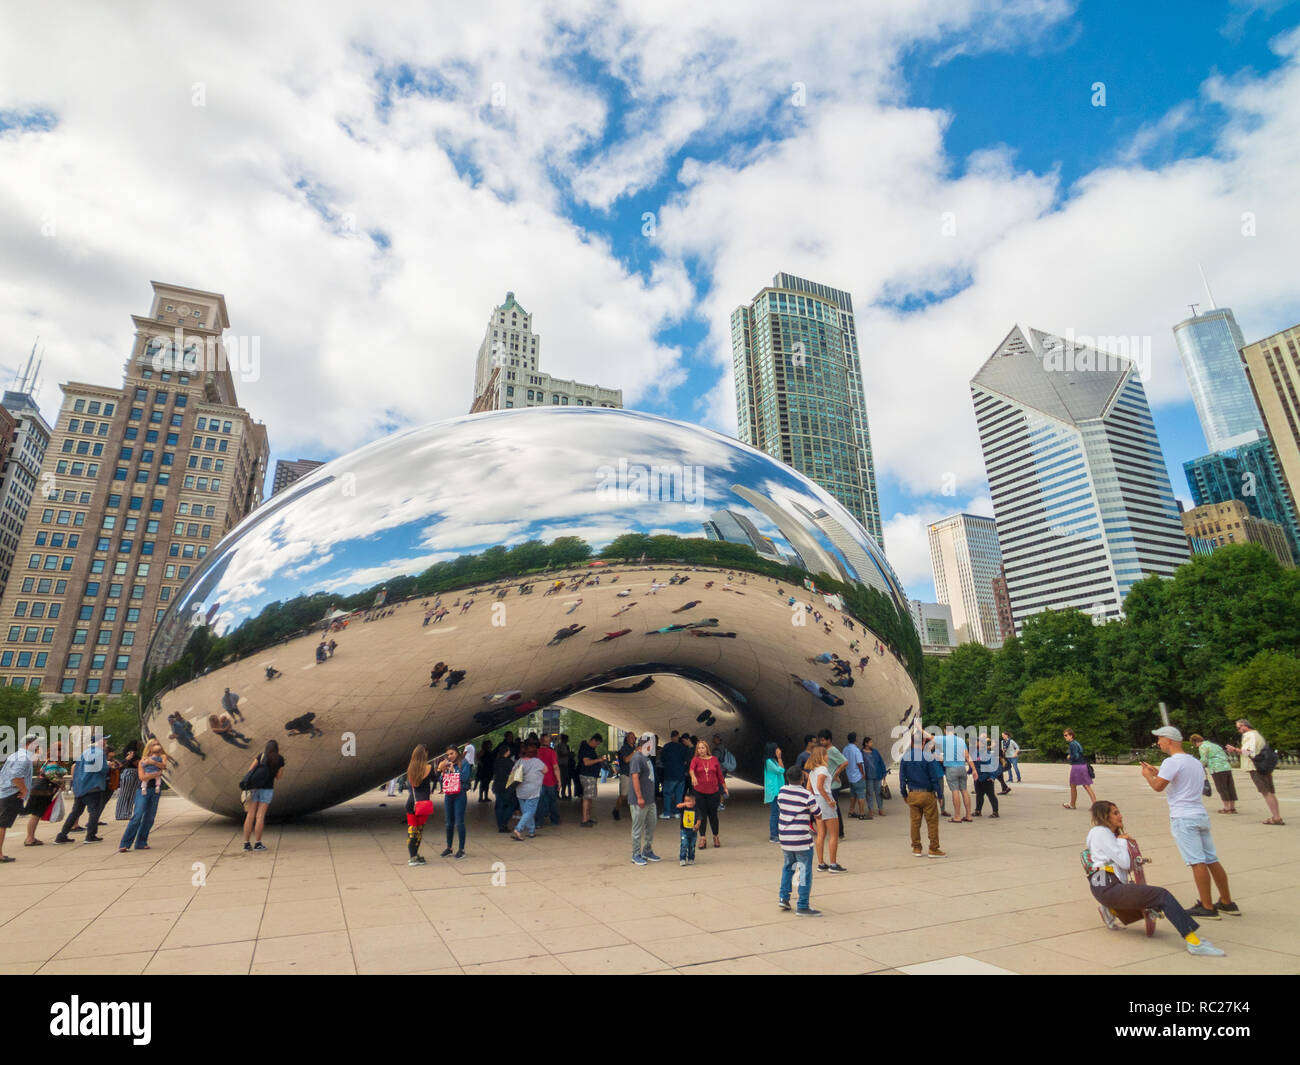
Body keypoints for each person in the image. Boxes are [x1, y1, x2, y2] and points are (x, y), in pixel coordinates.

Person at [1085, 801, 1224, 956]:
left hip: (1103, 885)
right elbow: (1124, 862)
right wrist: (1122, 840)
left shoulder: (1096, 833)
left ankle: (1110, 909)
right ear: (1105, 816)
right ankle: (1194, 943)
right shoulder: (1102, 832)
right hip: (1108, 886)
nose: (1120, 816)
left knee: (1150, 901)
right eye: (1115, 813)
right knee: (1161, 895)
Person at [1140, 726, 1238, 920]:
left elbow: (1159, 787)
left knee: (1196, 861)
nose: (1158, 742)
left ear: (1169, 740)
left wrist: (1148, 776)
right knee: (1211, 858)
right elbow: (1181, 780)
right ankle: (1227, 902)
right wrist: (1158, 772)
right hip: (1199, 814)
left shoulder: (1171, 761)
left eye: (1160, 739)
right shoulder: (1193, 761)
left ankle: (1207, 906)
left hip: (1183, 817)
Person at [775, 765, 822, 916]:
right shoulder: (807, 796)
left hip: (785, 838)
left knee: (788, 867)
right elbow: (818, 813)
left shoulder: (782, 792)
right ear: (802, 779)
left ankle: (784, 897)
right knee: (804, 871)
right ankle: (802, 904)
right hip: (801, 840)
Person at [54, 734, 111, 845]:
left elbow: (77, 768)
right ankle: (90, 836)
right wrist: (109, 765)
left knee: (75, 812)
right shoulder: (100, 753)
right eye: (105, 740)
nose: (106, 742)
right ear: (100, 741)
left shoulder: (84, 753)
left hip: (81, 786)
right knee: (94, 812)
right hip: (93, 785)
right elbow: (103, 769)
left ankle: (62, 835)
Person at [1226, 719, 1284, 825]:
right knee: (1270, 792)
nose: (1238, 730)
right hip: (1263, 766)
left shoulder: (1249, 735)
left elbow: (1249, 751)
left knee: (1266, 792)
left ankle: (1276, 818)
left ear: (1245, 726)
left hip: (1255, 767)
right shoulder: (1257, 734)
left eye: (1239, 728)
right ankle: (1277, 816)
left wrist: (1234, 749)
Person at [898, 730, 945, 858]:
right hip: (927, 793)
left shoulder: (905, 758)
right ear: (923, 742)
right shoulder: (927, 757)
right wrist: (939, 795)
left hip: (913, 793)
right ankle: (934, 848)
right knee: (932, 822)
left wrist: (904, 794)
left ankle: (916, 848)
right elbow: (934, 778)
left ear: (911, 742)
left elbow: (902, 779)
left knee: (915, 822)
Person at [118, 739, 169, 852]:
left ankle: (141, 842)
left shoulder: (162, 757)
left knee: (149, 817)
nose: (157, 746)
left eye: (158, 744)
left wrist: (154, 764)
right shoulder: (143, 760)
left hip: (155, 790)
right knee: (137, 815)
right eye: (155, 744)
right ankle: (125, 843)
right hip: (142, 790)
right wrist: (155, 773)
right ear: (150, 747)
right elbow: (142, 777)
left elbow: (163, 766)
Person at [0, 733, 40, 861]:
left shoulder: (16, 755)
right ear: (30, 744)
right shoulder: (24, 757)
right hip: (11, 794)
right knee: (2, 824)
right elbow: (16, 776)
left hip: (4, 792)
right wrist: (24, 790)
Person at [806, 745, 844, 873]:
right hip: (825, 800)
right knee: (834, 834)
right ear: (822, 756)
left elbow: (809, 789)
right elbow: (820, 786)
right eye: (826, 755)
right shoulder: (823, 769)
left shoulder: (812, 771)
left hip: (817, 801)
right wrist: (829, 800)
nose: (828, 757)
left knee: (820, 834)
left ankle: (821, 863)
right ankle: (833, 864)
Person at [242, 740, 285, 851]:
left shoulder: (261, 756)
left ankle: (246, 844)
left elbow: (250, 770)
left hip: (254, 788)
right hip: (267, 789)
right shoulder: (280, 759)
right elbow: (279, 777)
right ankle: (258, 843)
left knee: (250, 816)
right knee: (260, 816)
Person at [628, 733, 661, 865]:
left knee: (651, 824)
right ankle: (635, 854)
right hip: (639, 800)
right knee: (638, 827)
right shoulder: (637, 758)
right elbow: (635, 777)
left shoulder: (646, 757)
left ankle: (647, 850)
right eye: (652, 743)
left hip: (650, 799)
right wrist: (639, 797)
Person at [434, 746, 472, 858]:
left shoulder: (464, 763)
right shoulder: (446, 763)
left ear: (457, 752)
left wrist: (453, 771)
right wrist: (442, 771)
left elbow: (465, 777)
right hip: (449, 795)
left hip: (460, 794)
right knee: (449, 823)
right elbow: (441, 780)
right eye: (448, 754)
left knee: (459, 822)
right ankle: (449, 847)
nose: (450, 756)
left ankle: (461, 849)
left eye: (452, 753)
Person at [689, 739, 727, 849]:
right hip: (699, 791)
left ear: (707, 748)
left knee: (713, 815)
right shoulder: (695, 760)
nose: (701, 750)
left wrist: (724, 787)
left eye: (703, 748)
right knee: (702, 815)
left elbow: (720, 775)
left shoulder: (714, 759)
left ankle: (716, 837)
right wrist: (693, 776)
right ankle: (702, 838)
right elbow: (691, 770)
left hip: (713, 791)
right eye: (699, 748)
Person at [1189, 734, 1237, 815]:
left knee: (1222, 788)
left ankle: (1227, 808)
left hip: (1216, 768)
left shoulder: (1203, 746)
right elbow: (1224, 754)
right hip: (1226, 767)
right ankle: (1232, 807)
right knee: (1230, 787)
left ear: (1195, 742)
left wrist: (1198, 766)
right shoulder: (1214, 745)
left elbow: (1204, 759)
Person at [939, 724, 975, 823]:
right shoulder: (961, 740)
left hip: (951, 768)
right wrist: (974, 769)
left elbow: (930, 736)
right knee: (964, 790)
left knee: (955, 791)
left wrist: (918, 727)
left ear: (945, 731)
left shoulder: (944, 739)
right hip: (962, 767)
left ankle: (957, 816)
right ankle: (968, 815)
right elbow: (967, 756)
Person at [511, 739, 547, 840]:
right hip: (533, 791)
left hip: (520, 790)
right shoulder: (537, 762)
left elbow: (512, 773)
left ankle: (531, 830)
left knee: (526, 811)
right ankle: (518, 829)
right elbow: (545, 770)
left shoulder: (519, 761)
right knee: (530, 812)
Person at [405, 745, 435, 865]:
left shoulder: (410, 768)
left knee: (412, 830)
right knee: (419, 830)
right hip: (422, 804)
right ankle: (413, 857)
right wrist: (440, 769)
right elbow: (435, 778)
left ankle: (413, 856)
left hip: (411, 803)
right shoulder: (428, 767)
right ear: (425, 754)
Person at [819, 729, 848, 839]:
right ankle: (835, 831)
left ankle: (839, 832)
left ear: (829, 740)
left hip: (832, 786)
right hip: (827, 785)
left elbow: (845, 762)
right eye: (820, 740)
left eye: (823, 740)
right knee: (830, 808)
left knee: (834, 809)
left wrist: (836, 774)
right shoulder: (825, 750)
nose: (821, 742)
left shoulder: (832, 750)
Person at [1062, 728, 1097, 809]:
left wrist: (1069, 756)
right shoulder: (1077, 743)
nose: (1065, 737)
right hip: (1083, 765)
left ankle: (1073, 804)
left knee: (1075, 785)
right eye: (1064, 735)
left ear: (1071, 735)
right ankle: (1094, 805)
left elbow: (1076, 756)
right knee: (1084, 786)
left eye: (1066, 735)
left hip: (1077, 767)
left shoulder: (1072, 744)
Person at [578, 733, 607, 827]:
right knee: (587, 797)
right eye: (597, 744)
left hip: (591, 775)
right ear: (593, 740)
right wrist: (599, 760)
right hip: (587, 775)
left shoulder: (590, 749)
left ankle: (587, 817)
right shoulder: (586, 749)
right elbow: (586, 762)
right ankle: (584, 819)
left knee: (590, 797)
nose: (597, 746)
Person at [660, 732, 688, 820]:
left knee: (667, 794)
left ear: (671, 737)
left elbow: (662, 759)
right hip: (681, 775)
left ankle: (667, 813)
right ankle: (676, 813)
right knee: (679, 795)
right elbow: (686, 760)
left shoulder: (666, 747)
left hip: (670, 774)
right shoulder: (683, 747)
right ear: (678, 737)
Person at [971, 735, 1000, 818]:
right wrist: (970, 771)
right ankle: (978, 811)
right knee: (979, 795)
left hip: (987, 777)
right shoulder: (975, 753)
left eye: (979, 742)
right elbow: (973, 764)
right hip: (978, 778)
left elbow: (994, 766)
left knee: (991, 795)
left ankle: (995, 812)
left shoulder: (989, 753)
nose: (977, 743)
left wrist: (992, 777)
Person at [491, 740, 516, 833]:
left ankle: (500, 824)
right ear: (507, 751)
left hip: (497, 785)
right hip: (507, 785)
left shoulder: (496, 761)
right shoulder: (509, 762)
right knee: (511, 805)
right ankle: (504, 823)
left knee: (499, 805)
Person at [535, 734, 561, 826]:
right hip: (551, 780)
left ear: (540, 741)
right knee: (552, 802)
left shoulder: (535, 752)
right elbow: (555, 767)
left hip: (538, 781)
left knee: (539, 802)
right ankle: (554, 820)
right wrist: (559, 781)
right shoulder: (552, 752)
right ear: (549, 742)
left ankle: (538, 822)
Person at [114, 741, 141, 821]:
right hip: (130, 773)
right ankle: (120, 814)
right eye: (139, 744)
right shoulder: (131, 752)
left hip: (135, 774)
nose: (140, 745)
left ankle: (127, 813)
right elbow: (137, 763)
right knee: (124, 794)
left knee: (131, 795)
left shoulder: (135, 753)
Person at [763, 742, 785, 841]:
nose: (779, 750)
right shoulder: (769, 761)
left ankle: (777, 833)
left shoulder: (773, 760)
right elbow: (780, 770)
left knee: (778, 813)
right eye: (777, 749)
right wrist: (779, 758)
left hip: (778, 790)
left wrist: (779, 759)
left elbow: (782, 769)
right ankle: (773, 835)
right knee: (775, 813)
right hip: (774, 791)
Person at [843, 733, 867, 820]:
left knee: (853, 795)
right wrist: (863, 774)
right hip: (858, 776)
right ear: (855, 739)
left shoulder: (845, 749)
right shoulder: (856, 750)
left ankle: (851, 811)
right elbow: (859, 763)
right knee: (861, 795)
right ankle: (862, 813)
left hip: (850, 775)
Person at [613, 730, 636, 821]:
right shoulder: (624, 748)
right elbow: (626, 760)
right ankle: (616, 809)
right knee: (623, 795)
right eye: (631, 737)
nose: (633, 739)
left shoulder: (635, 748)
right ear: (627, 739)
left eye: (634, 737)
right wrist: (635, 752)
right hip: (626, 774)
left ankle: (635, 814)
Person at [863, 736, 887, 819]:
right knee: (869, 793)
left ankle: (880, 809)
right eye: (870, 742)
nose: (871, 744)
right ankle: (870, 810)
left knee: (879, 793)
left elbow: (881, 762)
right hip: (868, 777)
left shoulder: (875, 752)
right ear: (866, 743)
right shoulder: (861, 753)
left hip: (877, 776)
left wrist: (884, 774)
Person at [676, 793, 698, 866]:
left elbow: (699, 819)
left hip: (693, 831)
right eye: (686, 801)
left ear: (694, 802)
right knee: (684, 844)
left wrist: (697, 825)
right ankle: (682, 858)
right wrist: (684, 804)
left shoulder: (696, 809)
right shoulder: (683, 808)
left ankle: (691, 858)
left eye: (690, 801)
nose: (688, 803)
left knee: (692, 845)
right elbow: (678, 806)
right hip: (684, 830)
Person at [555, 733, 573, 800]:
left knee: (565, 780)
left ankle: (563, 794)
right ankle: (557, 793)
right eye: (567, 739)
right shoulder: (559, 745)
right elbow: (559, 754)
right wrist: (568, 754)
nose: (567, 740)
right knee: (561, 779)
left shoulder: (566, 745)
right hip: (561, 764)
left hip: (565, 764)